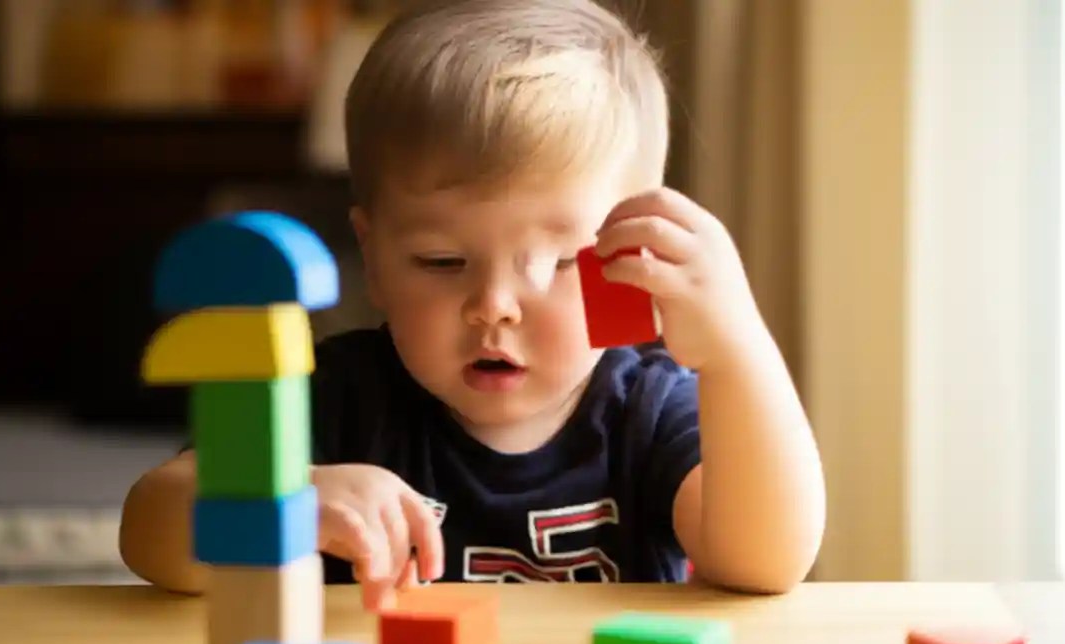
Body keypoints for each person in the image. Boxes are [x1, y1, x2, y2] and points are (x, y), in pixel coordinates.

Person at [119, 0, 826, 611]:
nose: (493, 307)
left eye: (554, 265)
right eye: (442, 262)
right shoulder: (342, 395)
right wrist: (287, 499)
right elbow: (148, 529)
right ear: (373, 257)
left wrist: (736, 351)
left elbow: (764, 563)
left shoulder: (647, 405)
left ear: (628, 263)